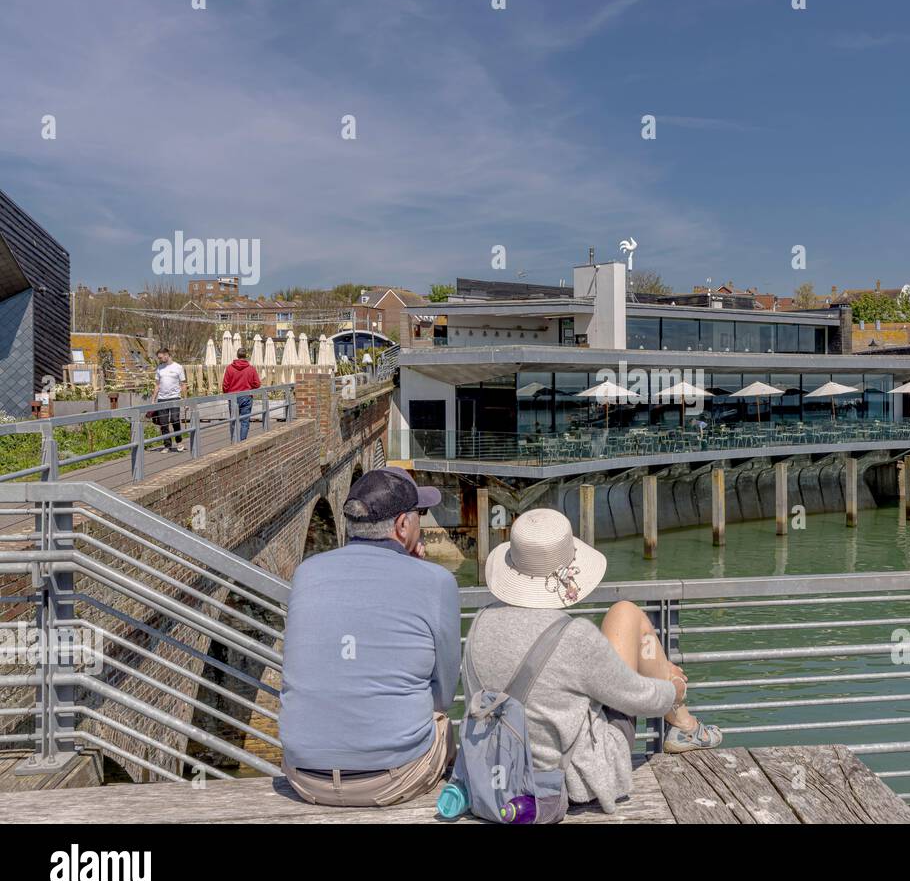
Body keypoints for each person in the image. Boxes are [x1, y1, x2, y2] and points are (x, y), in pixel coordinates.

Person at [468, 508, 722, 815]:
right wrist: (673, 689)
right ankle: (684, 722)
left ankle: (684, 723)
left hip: (498, 771)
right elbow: (637, 698)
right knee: (625, 613)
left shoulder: (480, 623)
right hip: (573, 780)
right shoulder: (573, 636)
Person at [280, 468, 459, 807]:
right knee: (444, 728)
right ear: (403, 526)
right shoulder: (436, 582)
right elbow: (444, 695)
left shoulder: (306, 573)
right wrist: (419, 570)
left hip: (304, 776)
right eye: (420, 514)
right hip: (390, 778)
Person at [221, 347, 262, 441]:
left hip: (233, 397)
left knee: (233, 421)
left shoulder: (229, 368)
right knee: (245, 421)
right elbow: (257, 384)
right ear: (246, 356)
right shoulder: (251, 369)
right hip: (246, 396)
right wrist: (250, 386)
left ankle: (234, 441)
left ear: (237, 356)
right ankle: (242, 442)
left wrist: (227, 392)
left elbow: (225, 385)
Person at [150, 348, 187, 452]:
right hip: (162, 398)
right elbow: (157, 385)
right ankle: (167, 445)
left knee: (175, 419)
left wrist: (185, 400)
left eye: (161, 357)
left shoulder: (178, 367)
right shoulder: (159, 368)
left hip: (175, 397)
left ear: (167, 355)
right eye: (159, 358)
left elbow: (183, 384)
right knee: (163, 423)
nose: (160, 359)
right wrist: (153, 400)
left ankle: (179, 441)